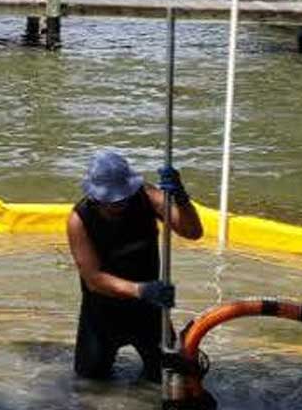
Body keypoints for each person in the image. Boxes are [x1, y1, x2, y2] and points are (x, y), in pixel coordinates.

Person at [67, 150, 203, 380]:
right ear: (94, 196)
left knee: (170, 378)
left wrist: (181, 198)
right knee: (89, 384)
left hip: (149, 311)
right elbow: (93, 279)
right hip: (102, 313)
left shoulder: (147, 196)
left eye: (123, 198)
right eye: (110, 200)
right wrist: (141, 290)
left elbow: (192, 231)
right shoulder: (79, 220)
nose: (118, 204)